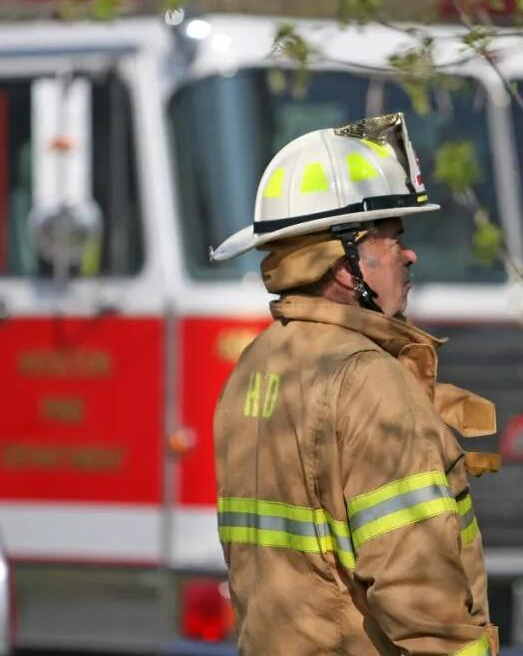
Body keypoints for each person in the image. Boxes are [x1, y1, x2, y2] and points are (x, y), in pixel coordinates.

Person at [211, 113, 499, 655]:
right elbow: (419, 591)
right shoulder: (368, 380)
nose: (409, 255)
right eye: (393, 240)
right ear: (347, 264)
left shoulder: (256, 365)